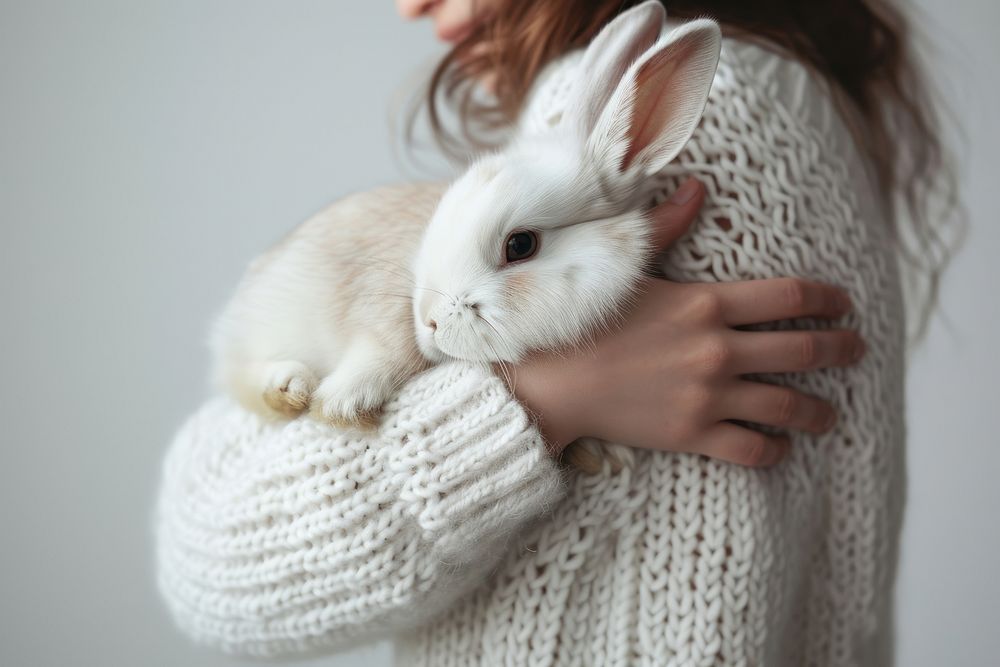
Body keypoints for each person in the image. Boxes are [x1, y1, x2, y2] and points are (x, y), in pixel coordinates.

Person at [155, 1, 958, 665]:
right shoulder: (800, 113)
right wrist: (548, 393)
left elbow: (214, 560)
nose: (412, 5)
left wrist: (527, 404)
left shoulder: (694, 135)